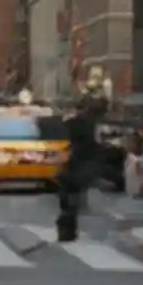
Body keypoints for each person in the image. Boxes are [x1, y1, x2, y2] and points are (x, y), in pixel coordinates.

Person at [55, 99, 99, 242]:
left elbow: (62, 138)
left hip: (71, 163)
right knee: (74, 196)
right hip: (82, 164)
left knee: (68, 197)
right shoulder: (90, 124)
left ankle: (67, 230)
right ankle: (70, 230)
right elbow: (94, 144)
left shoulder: (69, 123)